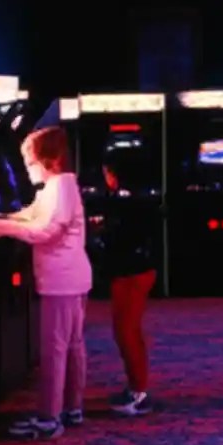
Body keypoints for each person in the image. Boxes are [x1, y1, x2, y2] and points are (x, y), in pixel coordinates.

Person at [0, 126, 92, 439]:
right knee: (71, 346)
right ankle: (71, 408)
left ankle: (48, 419)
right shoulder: (58, 187)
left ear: (48, 159)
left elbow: (44, 232)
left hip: (62, 280)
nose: (27, 167)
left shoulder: (61, 188)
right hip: (71, 277)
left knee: (55, 349)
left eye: (29, 161)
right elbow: (30, 215)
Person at [98, 160, 158, 415]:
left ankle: (139, 393)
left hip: (132, 272)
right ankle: (136, 387)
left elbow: (119, 238)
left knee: (127, 333)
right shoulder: (134, 199)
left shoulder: (126, 203)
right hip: (134, 269)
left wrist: (101, 235)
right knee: (127, 332)